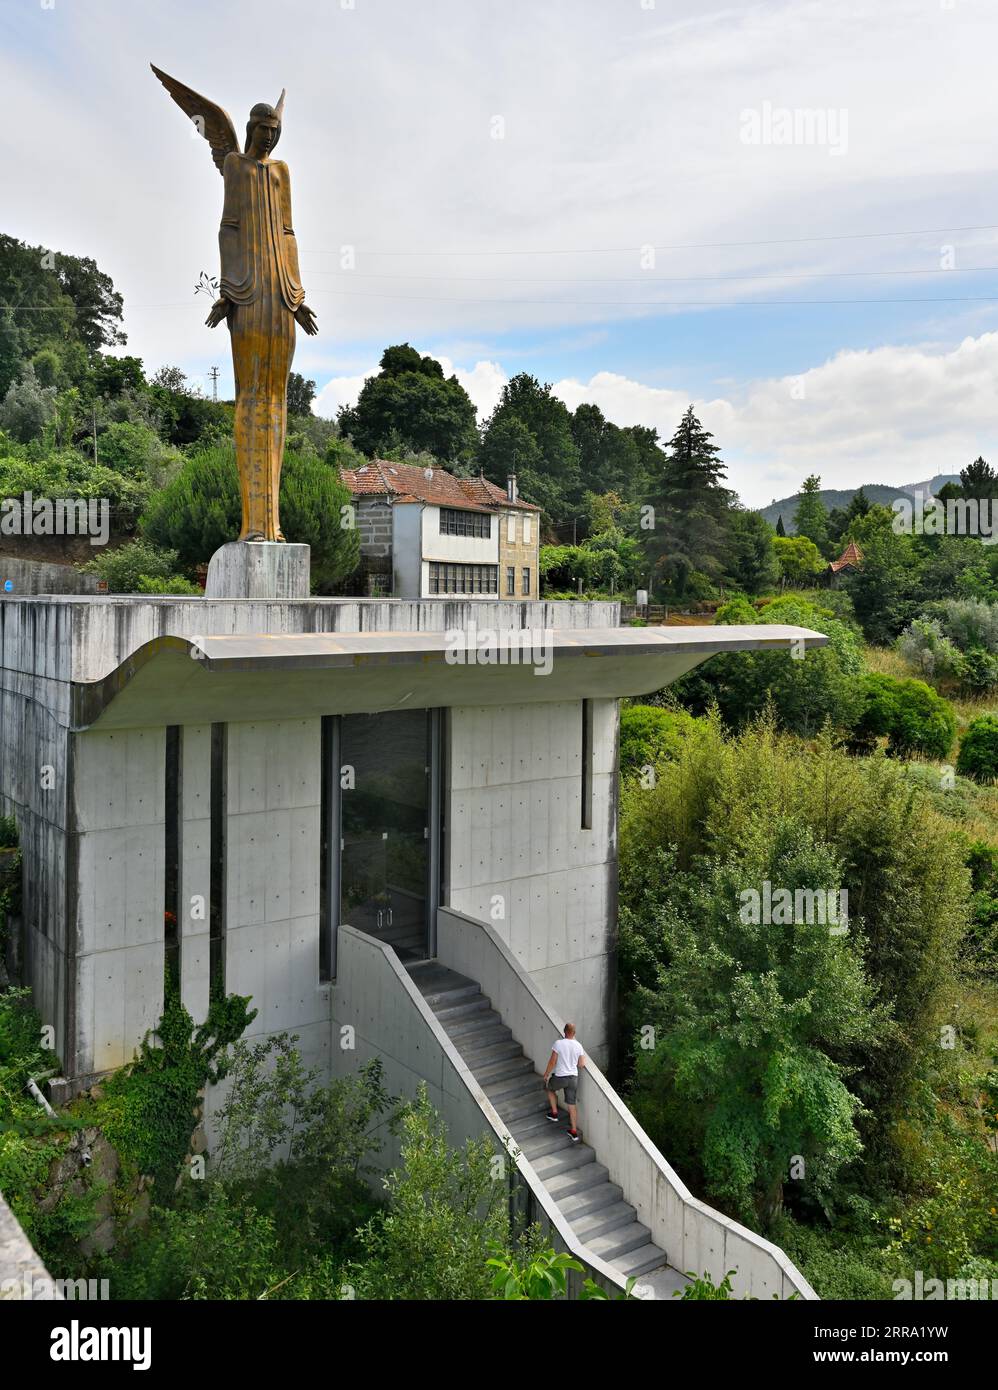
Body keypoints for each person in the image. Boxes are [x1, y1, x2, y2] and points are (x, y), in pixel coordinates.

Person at [543, 1023, 586, 1143]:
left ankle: (554, 1113)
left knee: (550, 1088)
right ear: (574, 1033)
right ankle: (573, 1132)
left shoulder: (559, 1043)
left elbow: (552, 1061)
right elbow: (581, 1064)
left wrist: (546, 1074)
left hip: (561, 1076)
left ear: (564, 1032)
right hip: (573, 1078)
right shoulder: (579, 1046)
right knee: (571, 1105)